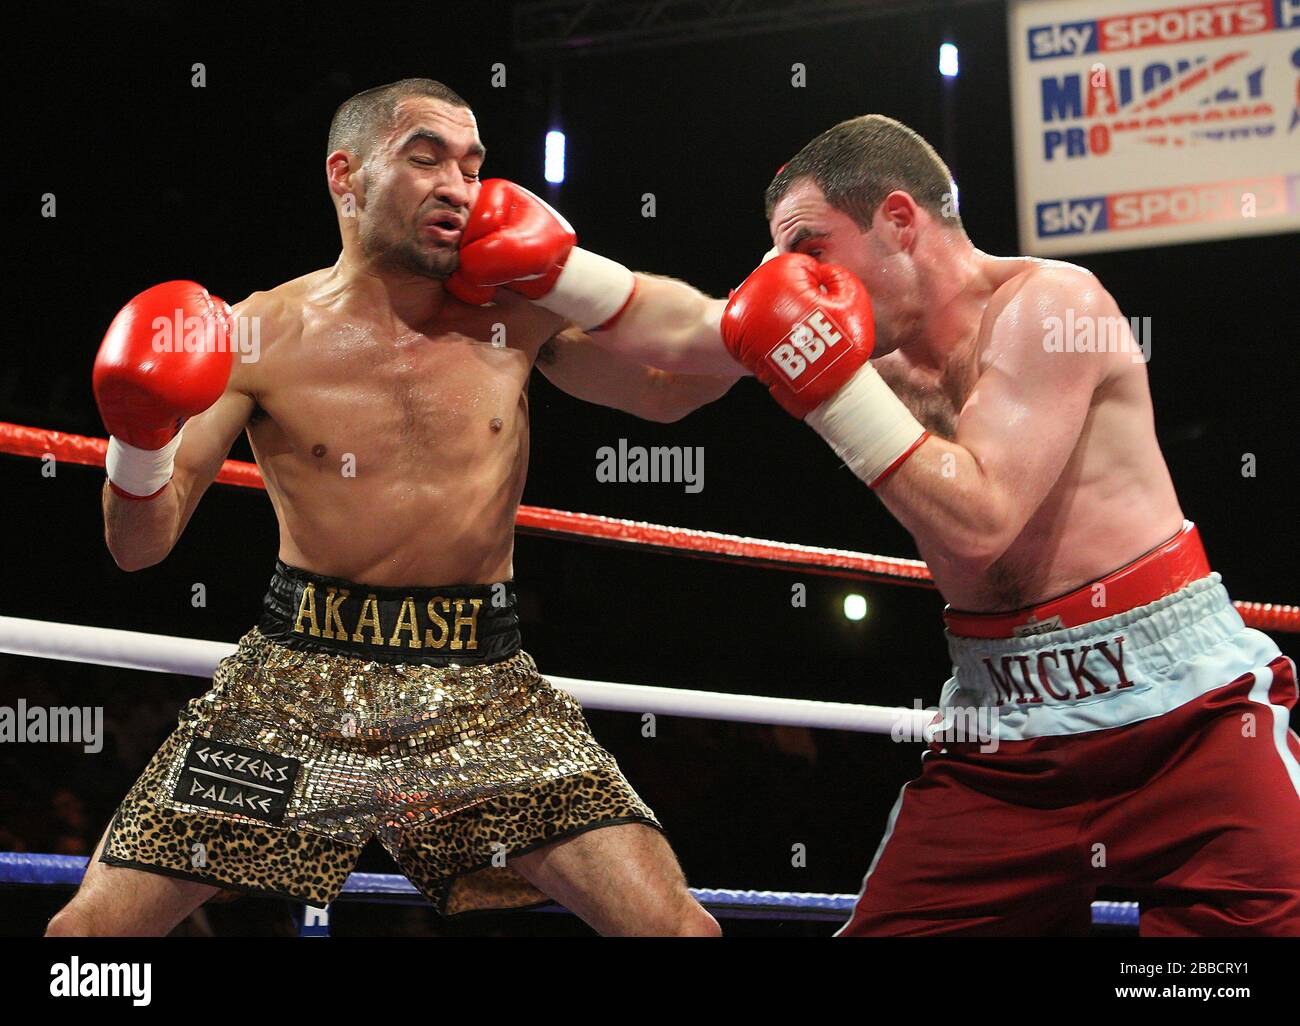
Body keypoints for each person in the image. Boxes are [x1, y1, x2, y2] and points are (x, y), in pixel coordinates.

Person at [487, 113, 1300, 936]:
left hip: (1190, 717)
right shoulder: (862, 345)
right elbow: (661, 377)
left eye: (808, 248)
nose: (788, 276)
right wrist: (534, 294)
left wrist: (828, 389)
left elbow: (981, 519)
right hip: (1004, 730)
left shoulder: (1052, 304)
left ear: (900, 221)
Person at [47, 78, 740, 937]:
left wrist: (578, 274)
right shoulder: (253, 333)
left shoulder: (517, 317)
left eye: (473, 163)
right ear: (347, 178)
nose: (459, 184)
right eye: (426, 158)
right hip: (294, 685)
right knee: (87, 939)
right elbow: (138, 547)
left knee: (678, 930)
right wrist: (139, 439)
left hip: (481, 684)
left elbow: (679, 389)